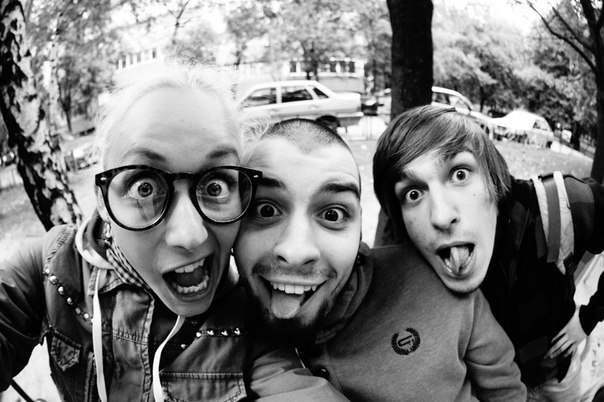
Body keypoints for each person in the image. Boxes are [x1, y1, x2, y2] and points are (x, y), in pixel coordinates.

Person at [0, 63, 347, 402]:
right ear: (103, 201)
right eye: (145, 187)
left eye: (215, 186)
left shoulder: (250, 318)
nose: (189, 236)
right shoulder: (51, 268)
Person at [234, 118, 526, 401]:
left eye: (332, 215)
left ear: (359, 229)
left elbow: (505, 388)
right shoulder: (226, 320)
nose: (296, 252)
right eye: (266, 210)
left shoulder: (438, 287)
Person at [372, 104, 604, 400]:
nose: (441, 216)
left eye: (459, 174)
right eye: (413, 193)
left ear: (493, 178)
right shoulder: (409, 265)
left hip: (557, 374)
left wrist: (589, 317)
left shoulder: (561, 205)